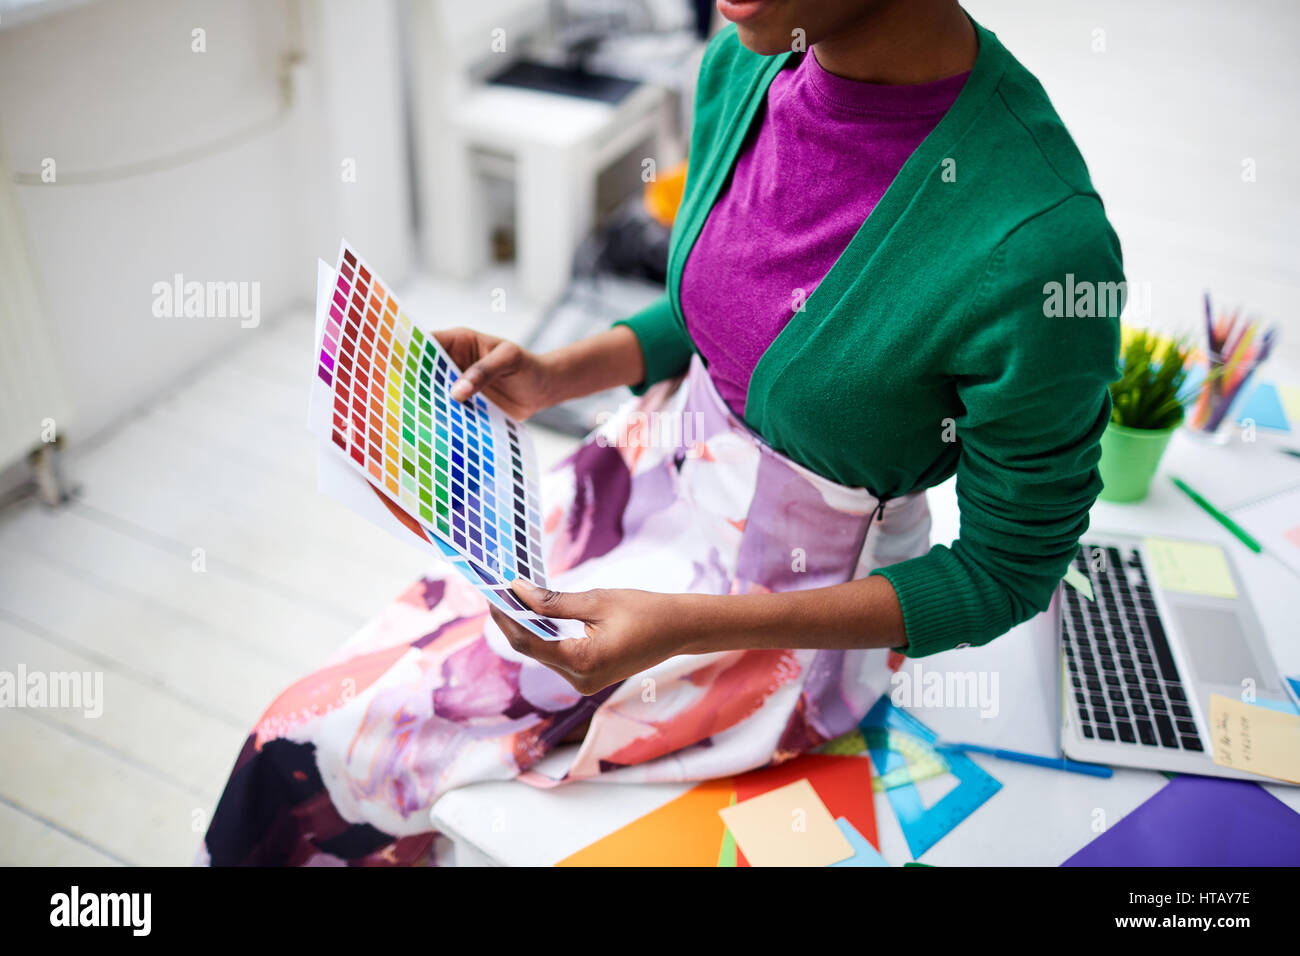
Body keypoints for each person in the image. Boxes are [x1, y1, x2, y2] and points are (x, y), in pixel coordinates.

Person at [201, 0, 1122, 865]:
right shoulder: (742, 63)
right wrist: (554, 373)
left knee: (307, 754)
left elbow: (1008, 572)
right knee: (327, 706)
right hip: (639, 487)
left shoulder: (1039, 246)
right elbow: (721, 312)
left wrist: (687, 627)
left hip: (784, 631)